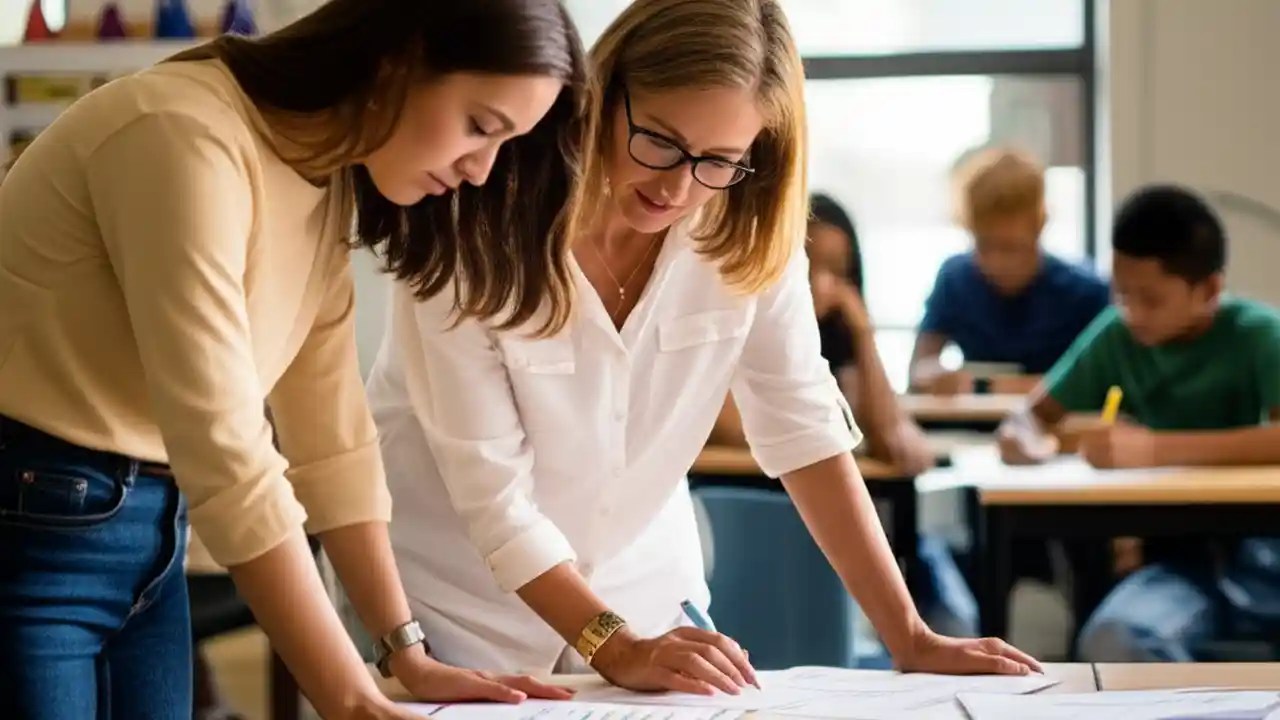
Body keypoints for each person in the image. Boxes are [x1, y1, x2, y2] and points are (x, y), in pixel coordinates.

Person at [369, 0, 1039, 695]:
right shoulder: (474, 219)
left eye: (719, 160)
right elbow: (496, 501)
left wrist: (910, 636)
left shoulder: (747, 237)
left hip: (642, 590)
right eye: (658, 140)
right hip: (456, 601)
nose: (676, 187)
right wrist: (614, 644)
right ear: (604, 90)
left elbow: (804, 431)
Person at [0, 1, 585, 717]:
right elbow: (225, 446)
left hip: (151, 533)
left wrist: (404, 655)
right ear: (396, 62)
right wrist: (349, 698)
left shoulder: (318, 174)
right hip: (33, 519)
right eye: (480, 127)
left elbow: (332, 438)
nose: (480, 169)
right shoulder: (180, 134)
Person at [998, 185, 1280, 661]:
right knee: (1114, 638)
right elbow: (1027, 417)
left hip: (1263, 552)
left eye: (1150, 299)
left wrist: (1153, 451)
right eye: (1122, 294)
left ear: (1210, 289)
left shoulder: (1258, 334)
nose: (1132, 313)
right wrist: (1033, 444)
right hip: (1180, 564)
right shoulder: (1116, 334)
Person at [711, 192, 978, 640]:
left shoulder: (840, 336)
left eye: (838, 271)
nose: (821, 283)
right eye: (809, 264)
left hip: (855, 537)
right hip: (764, 529)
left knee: (953, 618)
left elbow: (892, 439)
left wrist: (863, 331)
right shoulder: (748, 326)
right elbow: (738, 430)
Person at [910, 147, 1110, 395]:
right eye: (984, 246)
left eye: (1010, 247)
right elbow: (920, 369)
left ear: (1039, 229)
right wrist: (936, 376)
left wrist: (981, 385)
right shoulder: (955, 279)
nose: (996, 263)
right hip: (968, 428)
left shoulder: (1086, 293)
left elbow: (1099, 384)